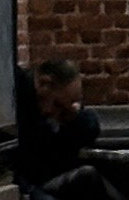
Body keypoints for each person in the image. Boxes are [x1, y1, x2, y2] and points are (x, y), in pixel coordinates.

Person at [14, 57, 114, 200]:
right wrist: (31, 193)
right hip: (28, 183)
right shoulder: (18, 99)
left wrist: (74, 117)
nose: (55, 113)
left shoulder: (60, 108)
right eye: (57, 105)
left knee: (88, 175)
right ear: (44, 84)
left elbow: (90, 128)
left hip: (48, 174)